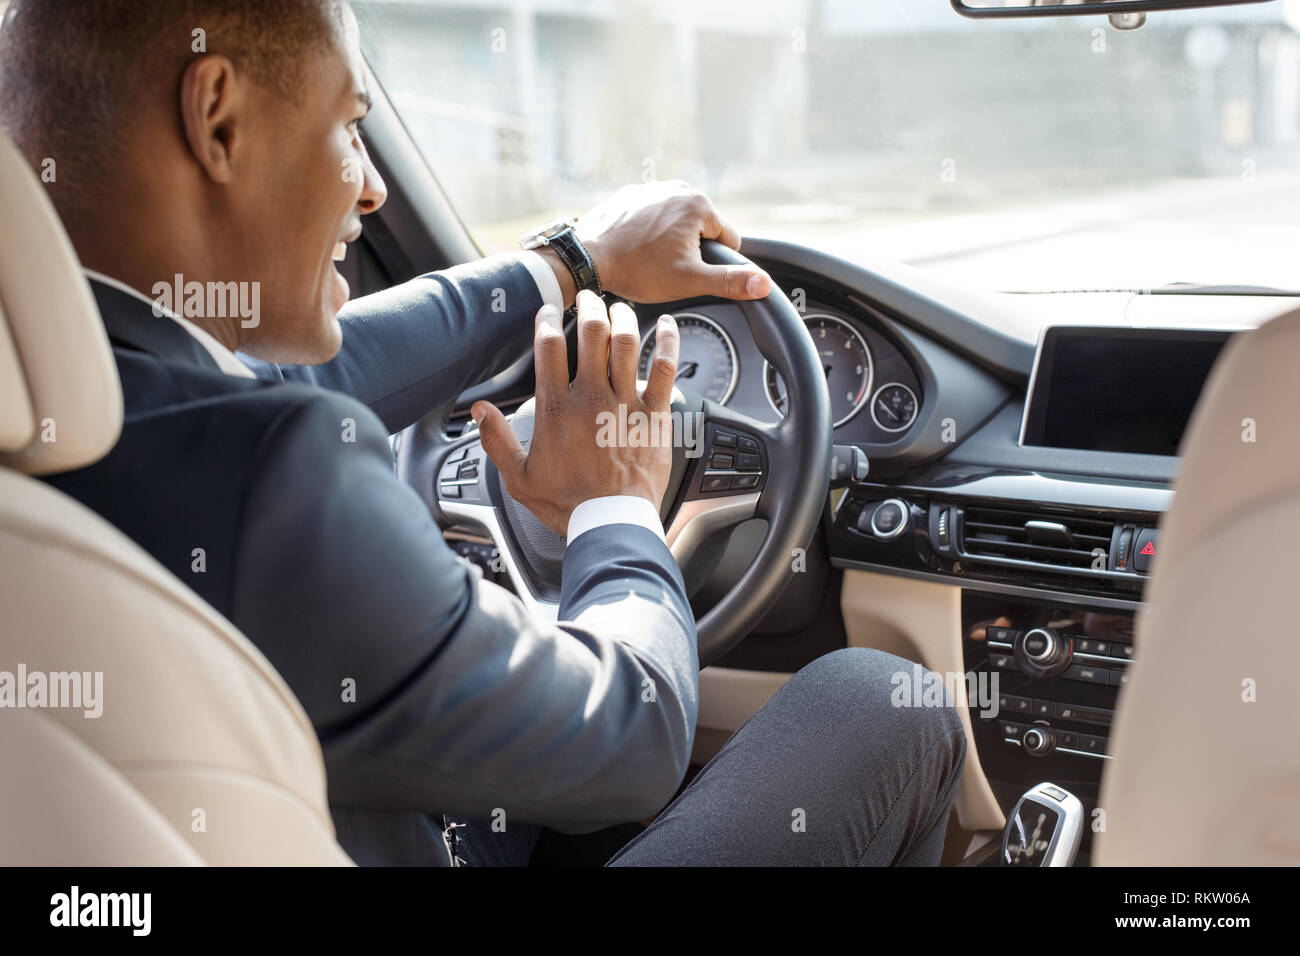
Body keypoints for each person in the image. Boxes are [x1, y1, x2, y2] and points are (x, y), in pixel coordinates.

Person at [0, 0, 965, 866]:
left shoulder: (83, 397)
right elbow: (631, 737)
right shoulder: (272, 479)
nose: (372, 188)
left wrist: (572, 263)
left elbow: (298, 374)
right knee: (880, 704)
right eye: (348, 127)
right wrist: (616, 507)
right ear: (217, 120)